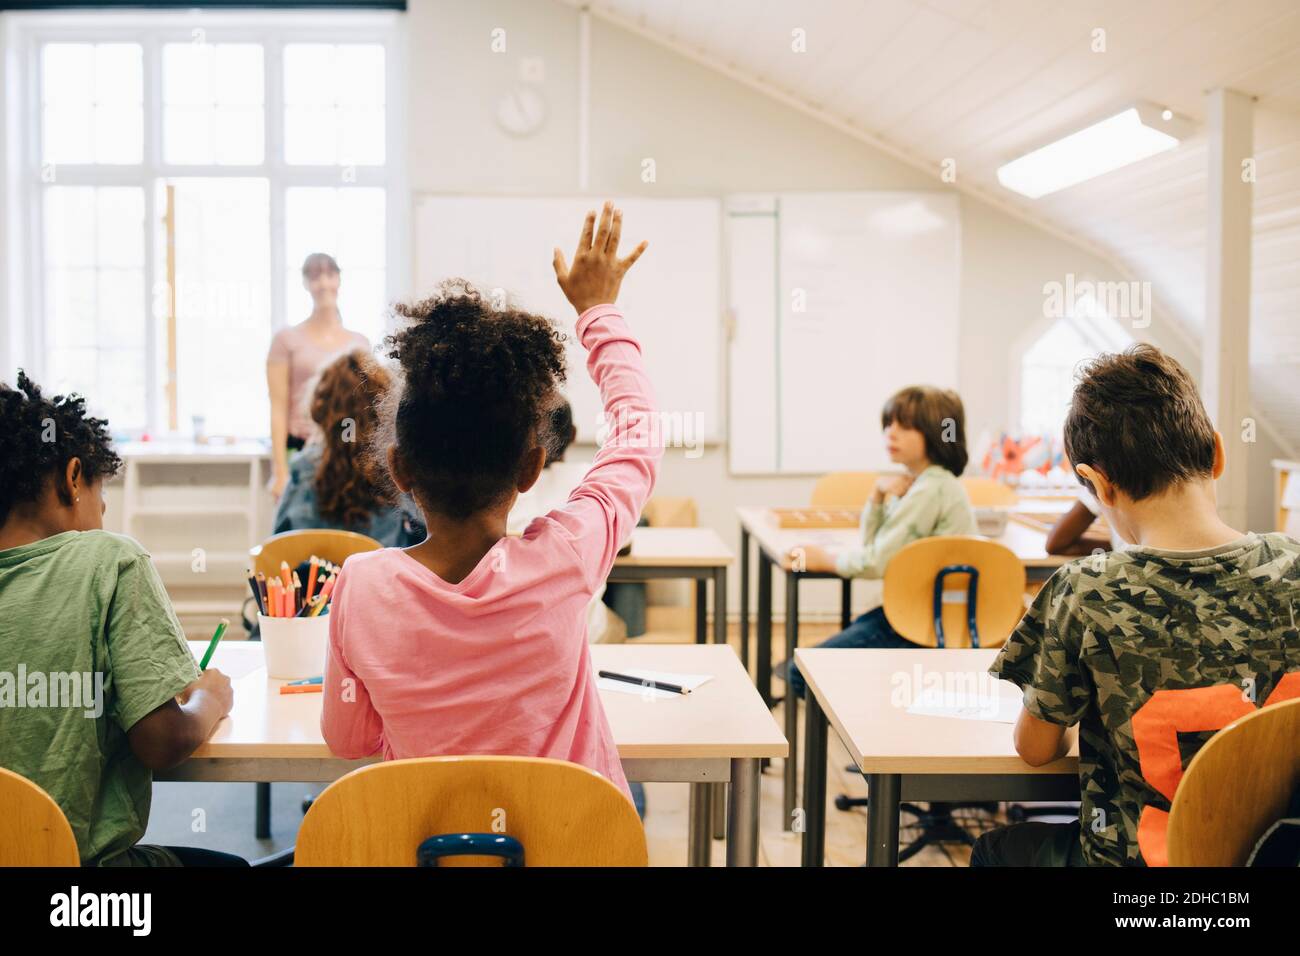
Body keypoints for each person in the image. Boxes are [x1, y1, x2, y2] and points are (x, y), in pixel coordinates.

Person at [320, 203, 655, 801]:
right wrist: (598, 311)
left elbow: (349, 740)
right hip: (574, 852)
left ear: (399, 468)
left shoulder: (362, 584)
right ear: (531, 466)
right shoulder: (567, 556)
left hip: (425, 848)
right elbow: (637, 440)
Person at [974, 345, 1300, 867]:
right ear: (1217, 453)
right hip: (1270, 855)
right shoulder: (1295, 565)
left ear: (1100, 484)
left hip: (1138, 870)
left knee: (998, 849)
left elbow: (1037, 750)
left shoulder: (1085, 590)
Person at [0, 372, 240, 866]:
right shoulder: (109, 561)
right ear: (72, 479)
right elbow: (162, 740)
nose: (102, 517)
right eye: (101, 498)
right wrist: (208, 700)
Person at [780, 386, 977, 697]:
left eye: (904, 425)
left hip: (923, 622)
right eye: (888, 424)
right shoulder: (927, 484)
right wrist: (878, 495)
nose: (891, 433)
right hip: (928, 614)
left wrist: (822, 559)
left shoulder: (930, 490)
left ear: (935, 433)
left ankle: (862, 729)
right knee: (848, 636)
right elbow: (873, 545)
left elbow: (874, 562)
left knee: (799, 673)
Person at [273, 350, 422, 547]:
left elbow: (278, 545)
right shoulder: (395, 470)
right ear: (382, 408)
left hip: (313, 576)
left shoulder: (304, 469)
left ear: (321, 410)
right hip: (376, 578)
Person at [267, 253, 371, 498]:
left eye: (329, 274)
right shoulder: (286, 340)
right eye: (315, 276)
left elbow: (362, 412)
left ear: (339, 280)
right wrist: (279, 471)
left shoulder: (359, 343)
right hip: (300, 447)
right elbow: (278, 408)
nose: (323, 283)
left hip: (346, 449)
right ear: (305, 283)